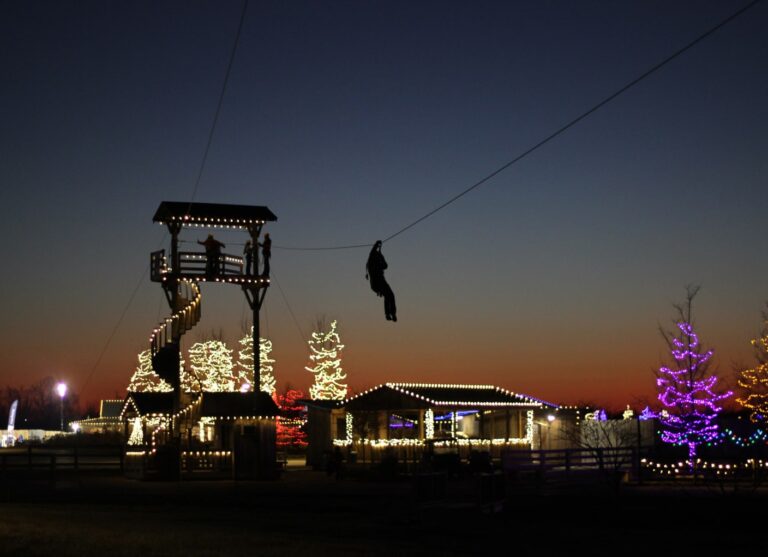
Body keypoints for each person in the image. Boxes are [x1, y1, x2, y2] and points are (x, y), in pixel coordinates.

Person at [366, 240, 397, 321]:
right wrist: (376, 244)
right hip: (377, 283)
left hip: (380, 283)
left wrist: (381, 256)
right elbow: (372, 251)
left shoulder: (378, 260)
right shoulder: (372, 259)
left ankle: (391, 314)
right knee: (389, 295)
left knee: (389, 295)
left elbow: (385, 265)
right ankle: (390, 314)